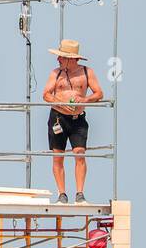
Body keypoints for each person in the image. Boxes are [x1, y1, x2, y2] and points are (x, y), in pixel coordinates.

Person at [42, 38, 103, 203]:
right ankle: (62, 194)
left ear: (70, 58)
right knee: (58, 156)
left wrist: (84, 100)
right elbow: (46, 94)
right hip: (58, 118)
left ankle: (80, 193)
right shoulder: (56, 73)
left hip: (78, 120)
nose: (58, 59)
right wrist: (59, 103)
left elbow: (99, 93)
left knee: (79, 154)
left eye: (61, 57)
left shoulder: (86, 72)